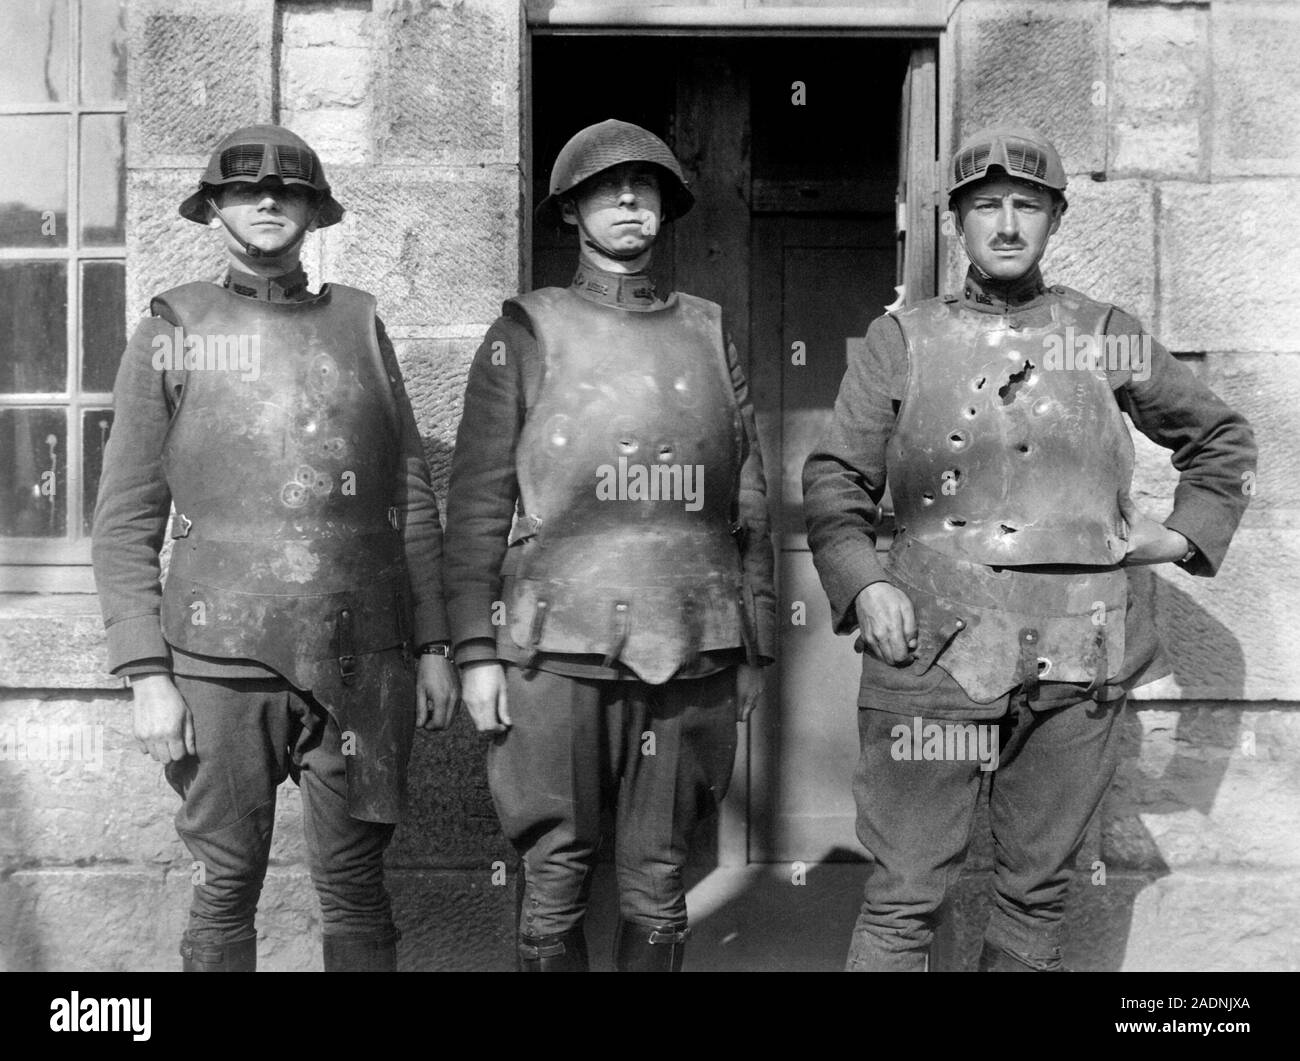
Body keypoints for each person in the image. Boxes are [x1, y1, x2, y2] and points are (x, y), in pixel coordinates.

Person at [802, 125, 1257, 972]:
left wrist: (1180, 534)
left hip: (1076, 660)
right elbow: (834, 480)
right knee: (905, 894)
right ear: (958, 223)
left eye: (1027, 206)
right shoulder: (902, 337)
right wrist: (866, 585)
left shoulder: (1104, 334)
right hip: (928, 655)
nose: (1007, 225)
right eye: (986, 207)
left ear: (1055, 219)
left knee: (1035, 892)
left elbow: (1220, 438)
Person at [92, 124, 458, 972]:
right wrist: (148, 673)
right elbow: (125, 520)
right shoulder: (173, 328)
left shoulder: (362, 323)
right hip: (220, 661)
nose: (267, 202)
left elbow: (411, 497)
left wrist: (435, 643)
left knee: (359, 885)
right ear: (214, 207)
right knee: (226, 879)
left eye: (287, 191)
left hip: (364, 655)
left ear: (312, 210)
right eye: (244, 190)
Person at [445, 119, 776, 972]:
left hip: (693, 649)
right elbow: (478, 505)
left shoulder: (707, 330)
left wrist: (754, 648)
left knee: (660, 876)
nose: (630, 199)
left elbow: (748, 500)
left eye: (647, 186)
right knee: (555, 866)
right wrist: (475, 654)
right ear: (572, 211)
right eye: (607, 187)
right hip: (555, 652)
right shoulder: (526, 328)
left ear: (666, 207)